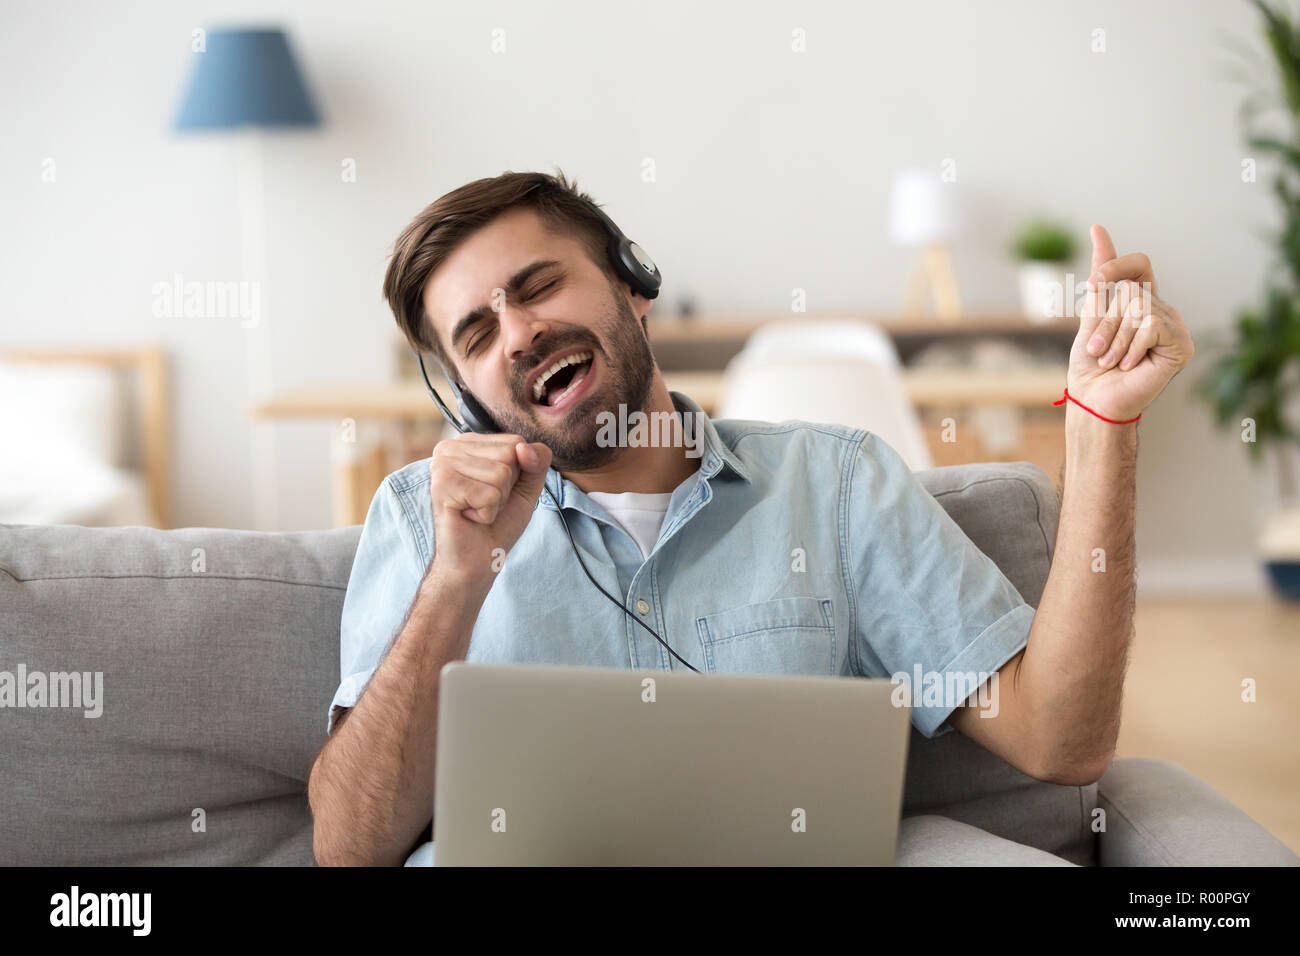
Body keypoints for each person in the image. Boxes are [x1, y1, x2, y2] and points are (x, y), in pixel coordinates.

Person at [306, 169, 1194, 866]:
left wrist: (1100, 427)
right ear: (469, 400)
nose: (518, 333)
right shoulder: (420, 526)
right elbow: (348, 848)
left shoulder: (837, 485)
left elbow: (1059, 737)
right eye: (476, 335)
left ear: (633, 286)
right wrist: (457, 579)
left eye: (538, 285)